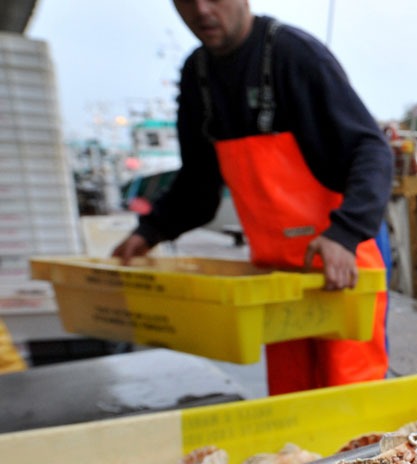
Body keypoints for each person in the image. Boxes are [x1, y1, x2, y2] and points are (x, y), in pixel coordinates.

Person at [113, 0, 392, 395]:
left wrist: (345, 232)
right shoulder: (198, 75)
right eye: (186, 1)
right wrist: (150, 231)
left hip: (342, 263)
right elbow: (198, 183)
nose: (202, 10)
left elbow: (372, 150)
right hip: (275, 278)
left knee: (354, 397)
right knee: (292, 399)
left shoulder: (296, 55)